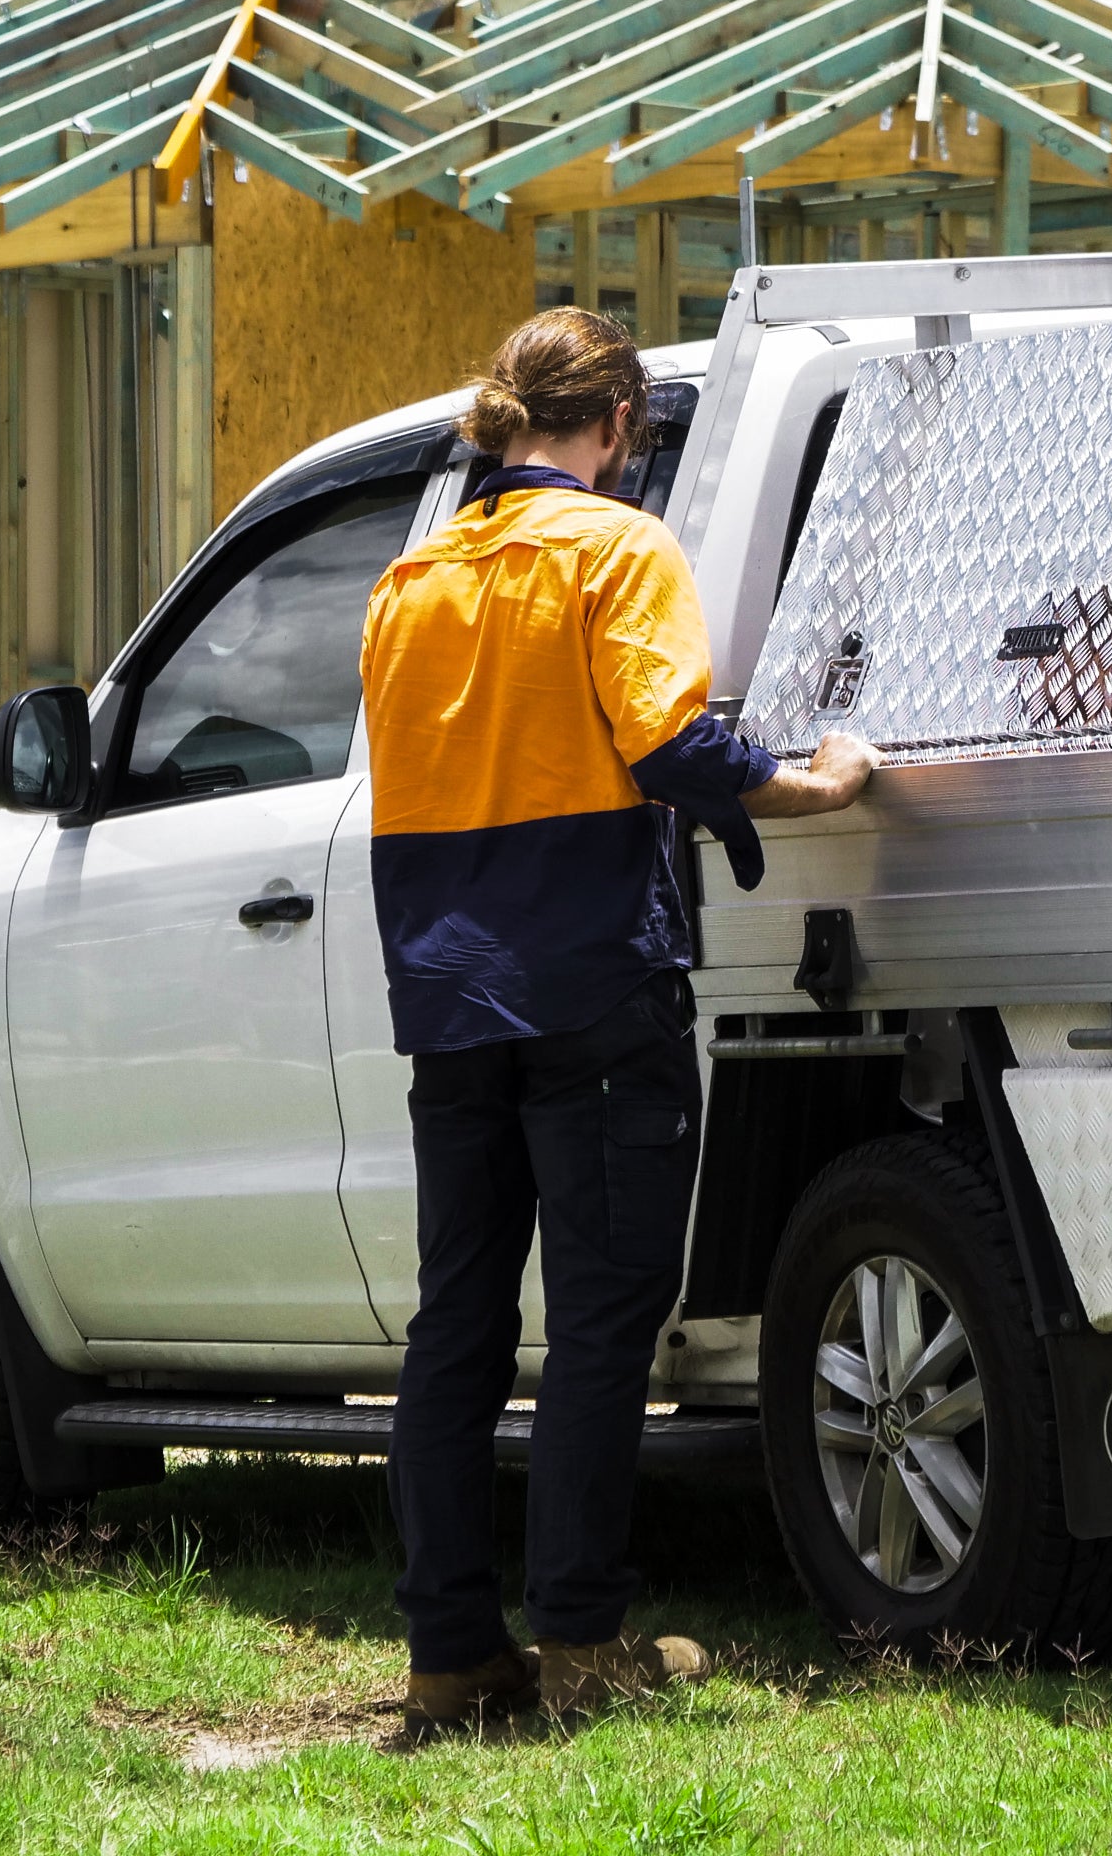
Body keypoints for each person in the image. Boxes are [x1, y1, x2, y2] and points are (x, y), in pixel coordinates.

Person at [359, 308, 875, 1729]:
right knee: (598, 1324)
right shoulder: (615, 548)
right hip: (590, 982)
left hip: (451, 1001)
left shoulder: (412, 577)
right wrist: (814, 783)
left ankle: (451, 1656)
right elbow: (667, 741)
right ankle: (585, 1646)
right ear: (620, 429)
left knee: (455, 1328)